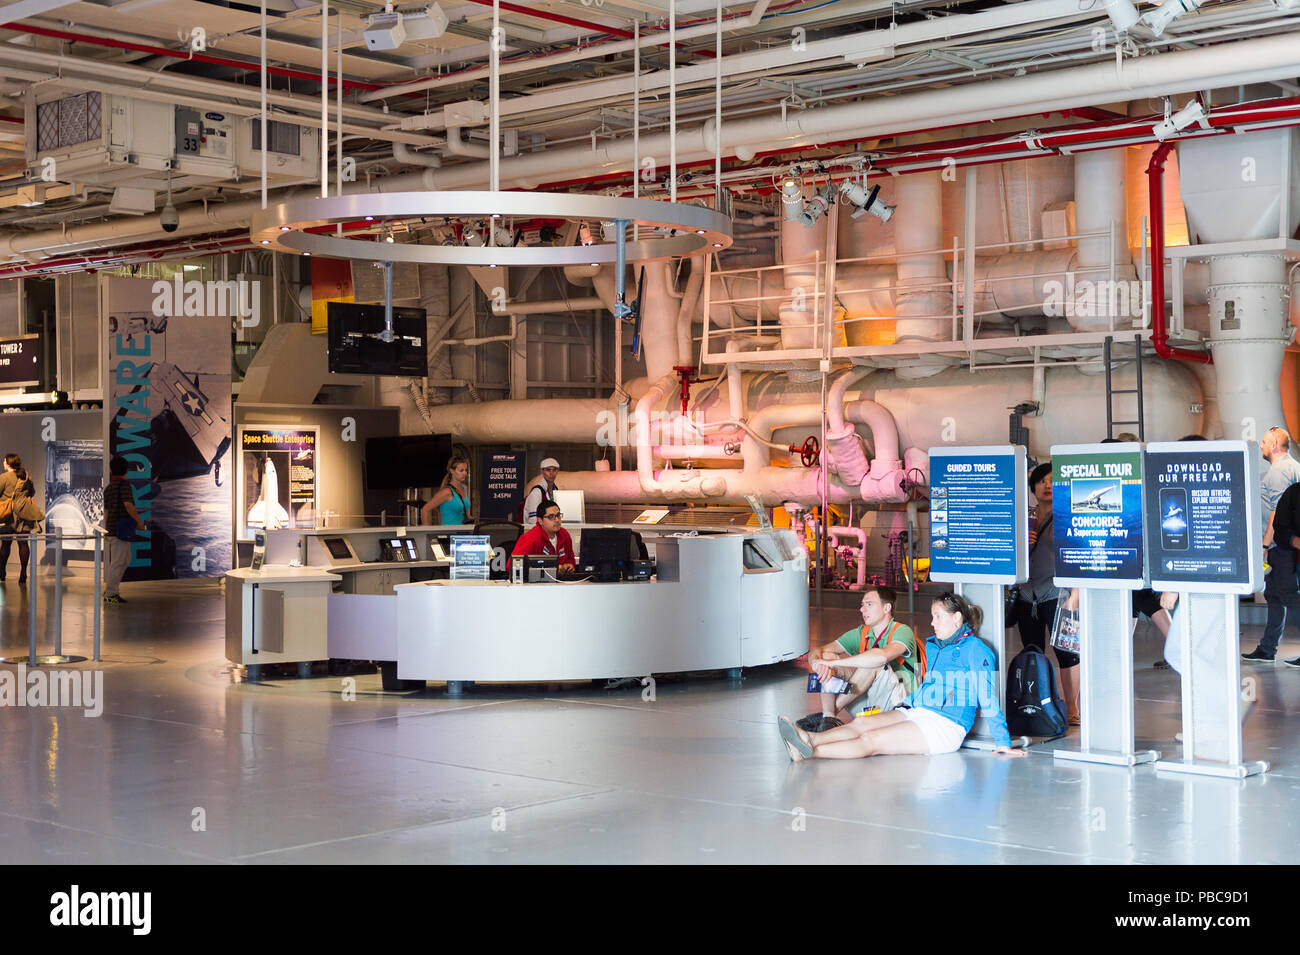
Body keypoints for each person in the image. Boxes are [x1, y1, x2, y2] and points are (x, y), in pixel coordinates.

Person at [778, 592, 1025, 761]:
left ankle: (811, 750)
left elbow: (987, 695)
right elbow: (930, 685)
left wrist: (1002, 741)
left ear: (957, 618)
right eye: (932, 616)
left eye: (938, 616)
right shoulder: (935, 646)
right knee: (862, 724)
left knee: (872, 740)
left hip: (945, 725)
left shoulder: (977, 650)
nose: (932, 622)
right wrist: (908, 704)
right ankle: (809, 737)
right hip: (918, 710)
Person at [794, 584, 919, 733]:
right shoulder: (862, 632)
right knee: (826, 656)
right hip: (867, 703)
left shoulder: (902, 631)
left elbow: (882, 657)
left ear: (887, 608)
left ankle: (827, 717)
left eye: (869, 604)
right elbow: (817, 651)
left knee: (875, 661)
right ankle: (828, 717)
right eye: (862, 605)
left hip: (897, 706)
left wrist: (833, 663)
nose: (862, 609)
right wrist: (816, 663)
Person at [1013, 460, 1081, 723]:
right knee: (1032, 650)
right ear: (1032, 487)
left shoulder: (1068, 517)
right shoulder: (1024, 517)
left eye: (1052, 480)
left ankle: (1073, 709)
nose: (1047, 485)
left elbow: (1078, 557)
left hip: (1058, 595)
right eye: (1041, 481)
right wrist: (1021, 544)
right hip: (1026, 596)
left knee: (1067, 652)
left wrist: (1075, 594)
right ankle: (1038, 703)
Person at [1244, 426, 1300, 662]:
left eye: (1265, 442)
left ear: (1276, 443)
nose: (1262, 447)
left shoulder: (1279, 472)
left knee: (1290, 598)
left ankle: (1268, 648)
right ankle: (1267, 649)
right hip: (1286, 548)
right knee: (1275, 596)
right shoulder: (1294, 467)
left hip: (1279, 549)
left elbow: (1278, 512)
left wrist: (1265, 546)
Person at [103, 455, 147, 604]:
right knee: (118, 562)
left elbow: (106, 511)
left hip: (113, 530)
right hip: (121, 530)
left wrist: (106, 529)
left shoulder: (109, 488)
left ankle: (112, 591)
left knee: (124, 560)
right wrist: (139, 523)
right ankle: (110, 593)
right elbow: (128, 505)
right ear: (125, 470)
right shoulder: (124, 486)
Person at [511, 499, 575, 573]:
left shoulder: (564, 535)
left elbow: (570, 558)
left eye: (558, 515)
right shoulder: (530, 538)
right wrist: (551, 568)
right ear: (540, 520)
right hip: (537, 583)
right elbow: (512, 565)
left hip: (562, 582)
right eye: (551, 517)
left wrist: (570, 566)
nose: (557, 520)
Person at [0, 455, 29, 583]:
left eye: (4, 461)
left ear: (8, 464)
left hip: (8, 515)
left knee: (5, 544)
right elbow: (31, 492)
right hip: (23, 514)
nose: (3, 463)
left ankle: (2, 571)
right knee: (23, 544)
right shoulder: (26, 476)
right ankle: (23, 573)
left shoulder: (4, 477)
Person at [421, 455, 472, 526]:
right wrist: (425, 533)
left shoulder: (465, 488)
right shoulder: (446, 492)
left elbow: (465, 514)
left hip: (463, 533)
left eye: (466, 470)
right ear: (452, 471)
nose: (465, 473)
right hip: (449, 533)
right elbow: (425, 510)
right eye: (461, 470)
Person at [521, 458, 561, 525]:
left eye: (554, 470)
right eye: (548, 470)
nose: (551, 473)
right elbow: (533, 520)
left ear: (557, 471)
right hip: (537, 532)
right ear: (542, 471)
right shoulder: (536, 492)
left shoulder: (556, 491)